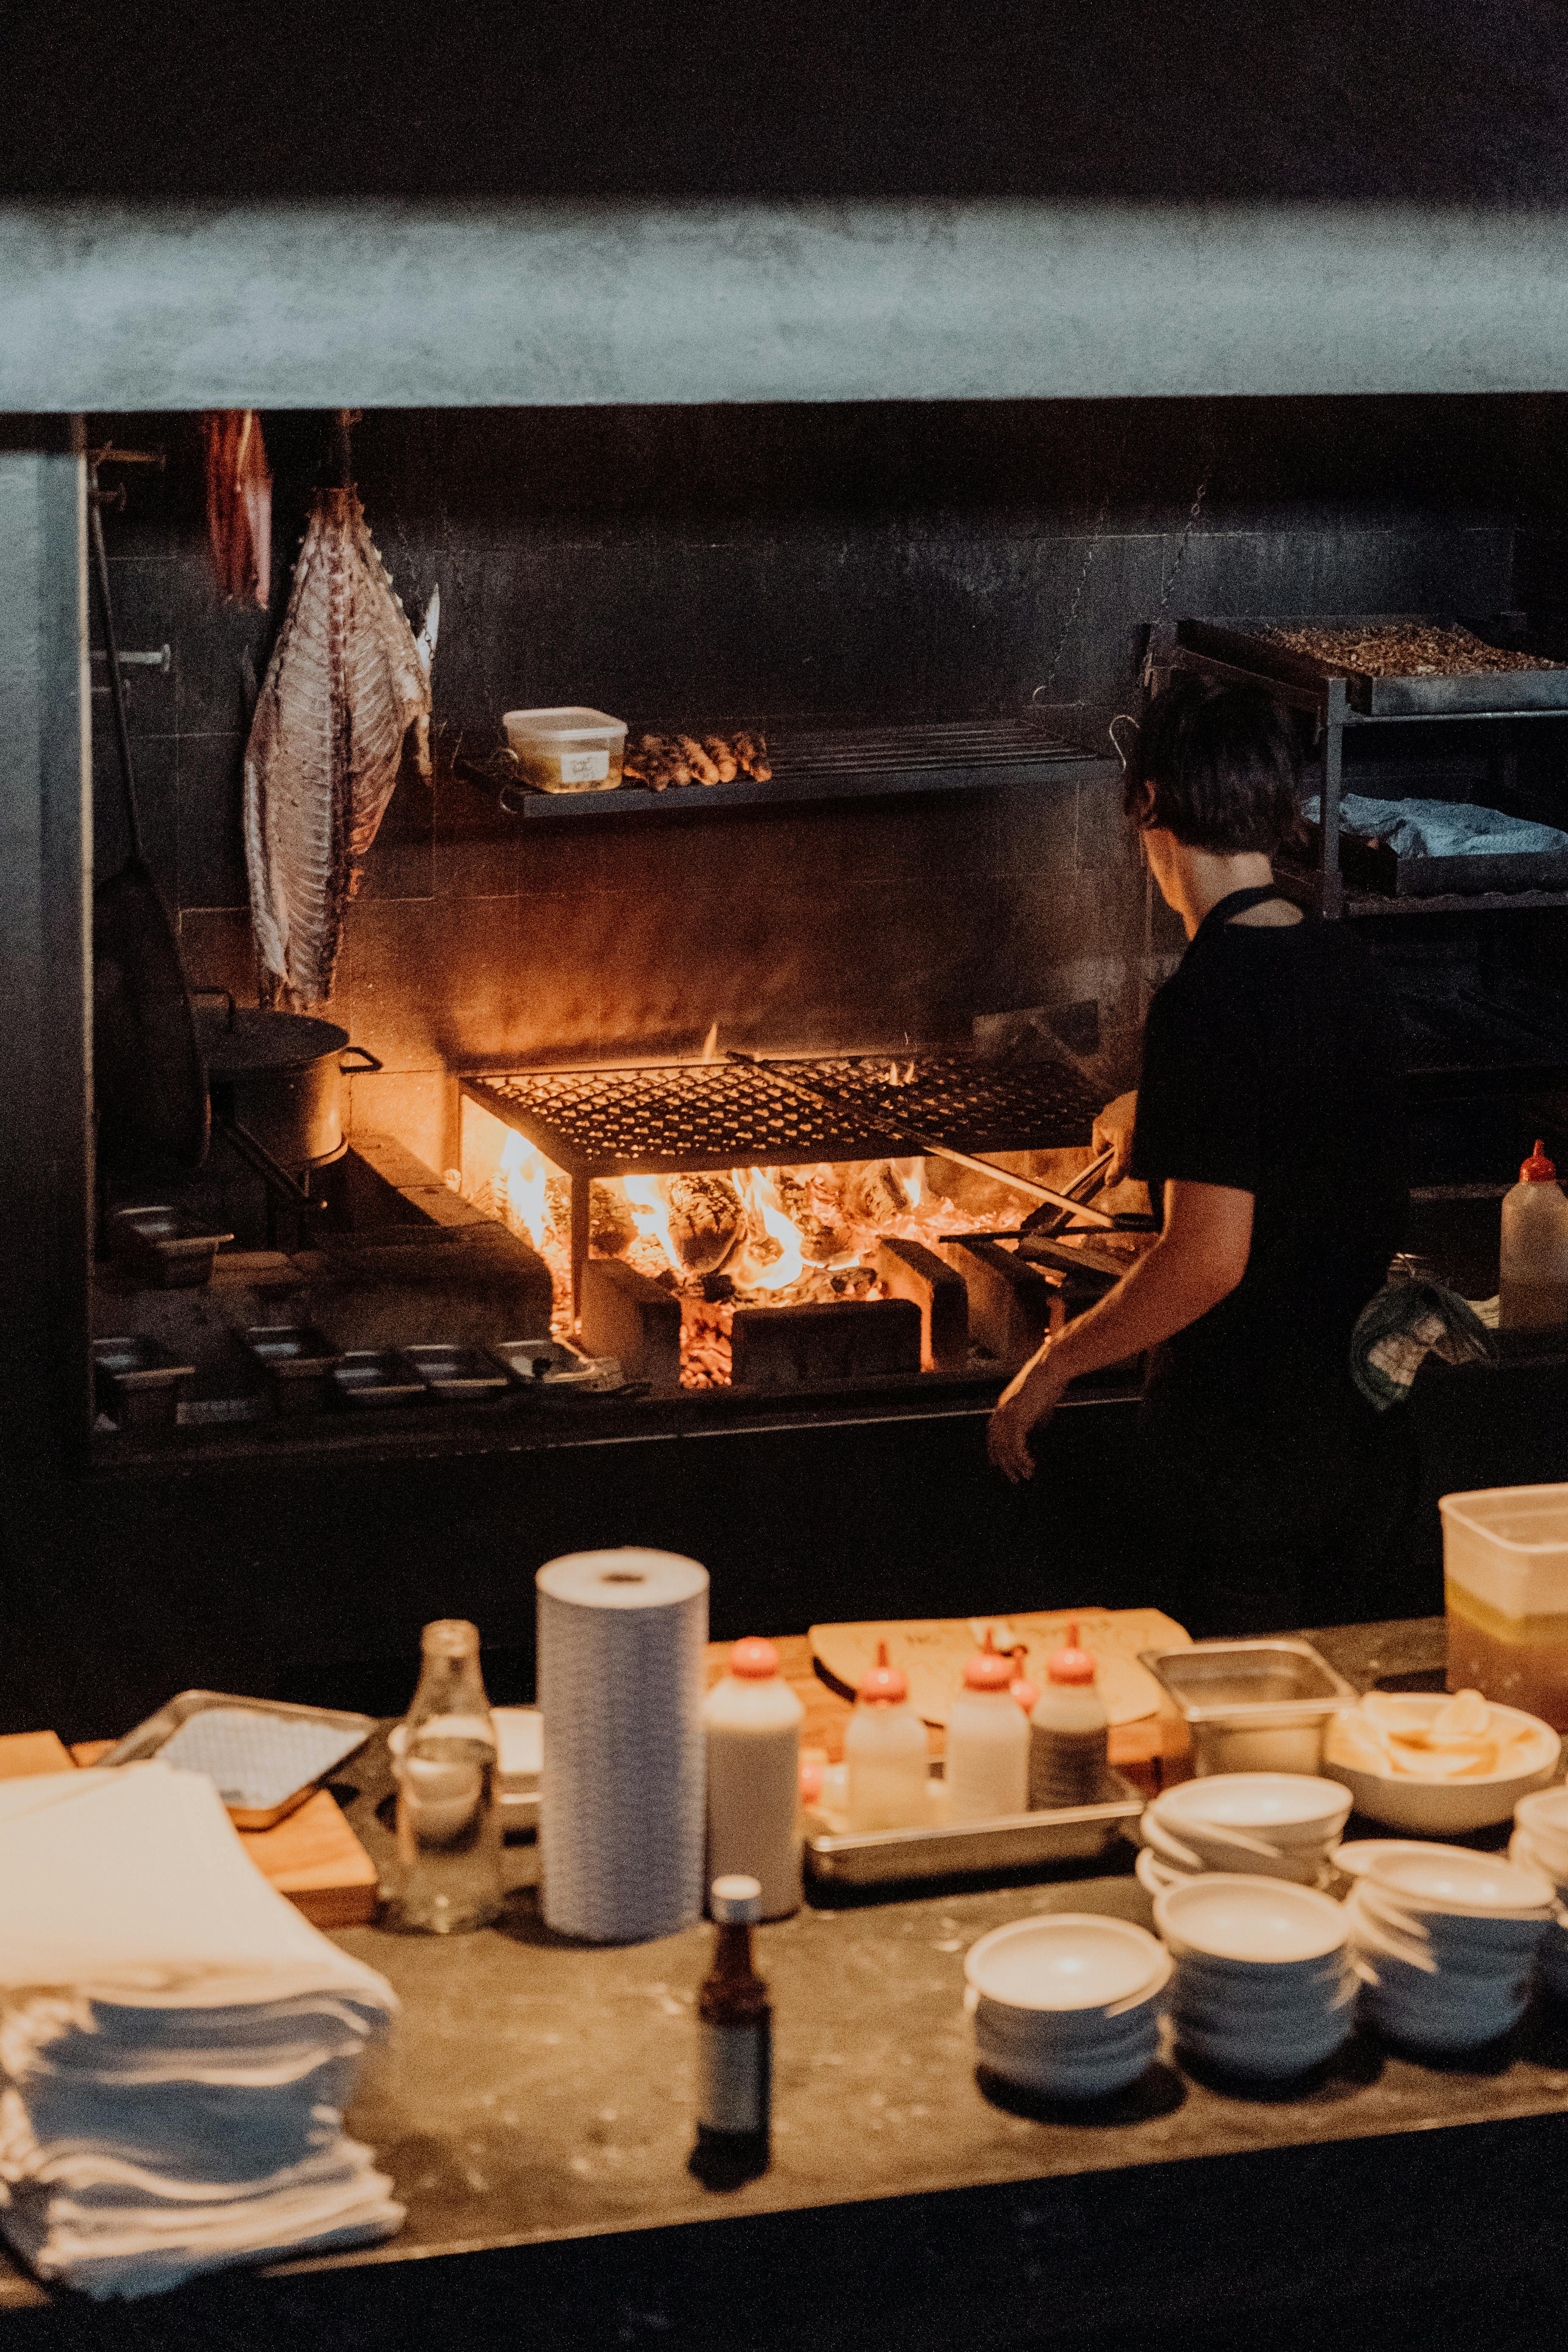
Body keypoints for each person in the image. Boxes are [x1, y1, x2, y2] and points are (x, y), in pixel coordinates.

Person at [986, 675, 1412, 1634]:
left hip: (1245, 1461)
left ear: (1149, 804)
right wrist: (1166, 1110)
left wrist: (1054, 1363)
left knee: (1226, 1713)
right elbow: (1305, 1126)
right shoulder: (1345, 964)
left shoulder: (1207, 998)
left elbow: (1208, 1259)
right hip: (1358, 1439)